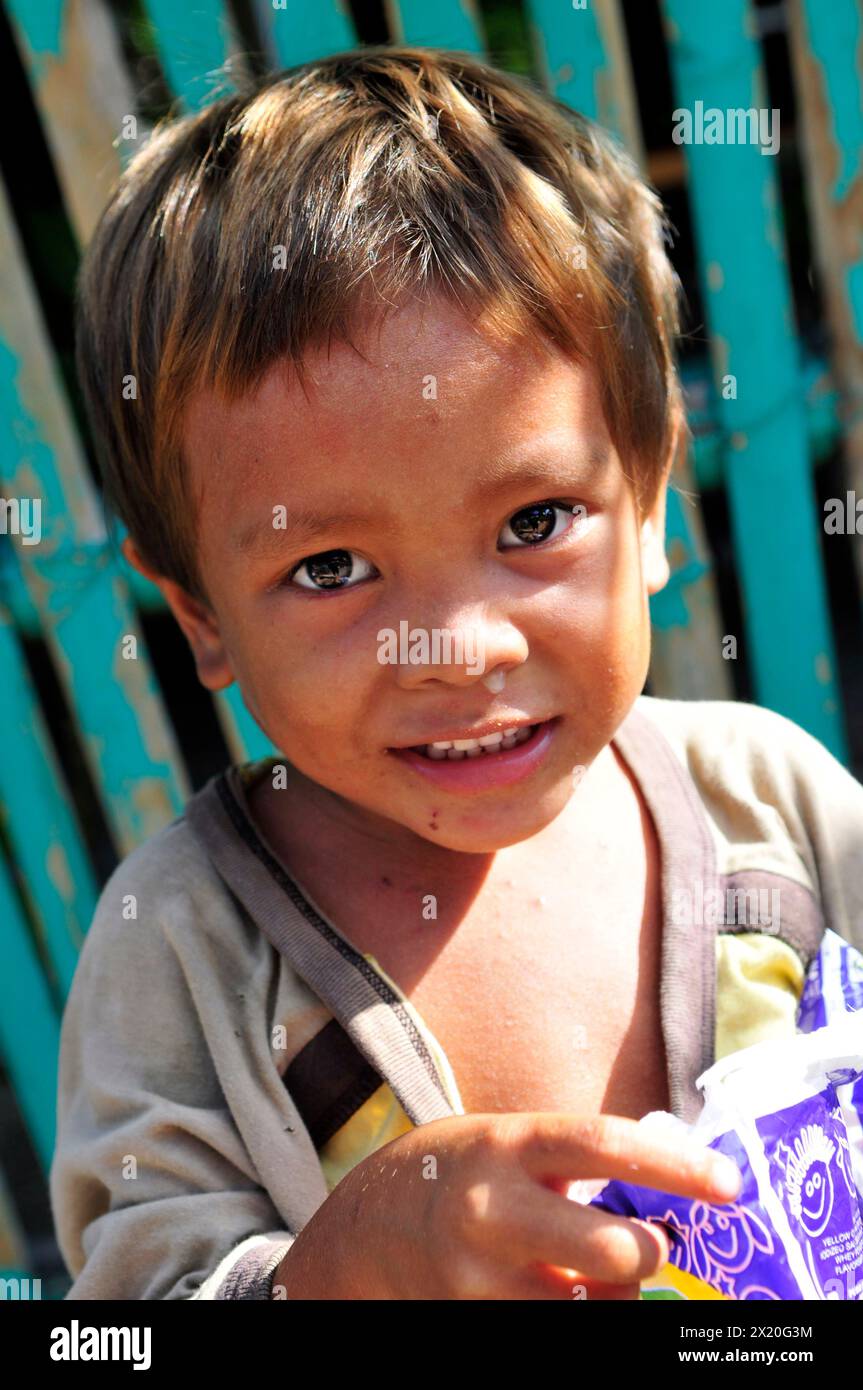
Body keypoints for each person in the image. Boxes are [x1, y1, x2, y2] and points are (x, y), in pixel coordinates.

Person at [50, 46, 863, 1300]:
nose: (459, 646)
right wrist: (333, 1272)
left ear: (648, 507)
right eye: (330, 569)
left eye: (533, 524)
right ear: (202, 617)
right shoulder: (184, 957)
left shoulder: (770, 807)